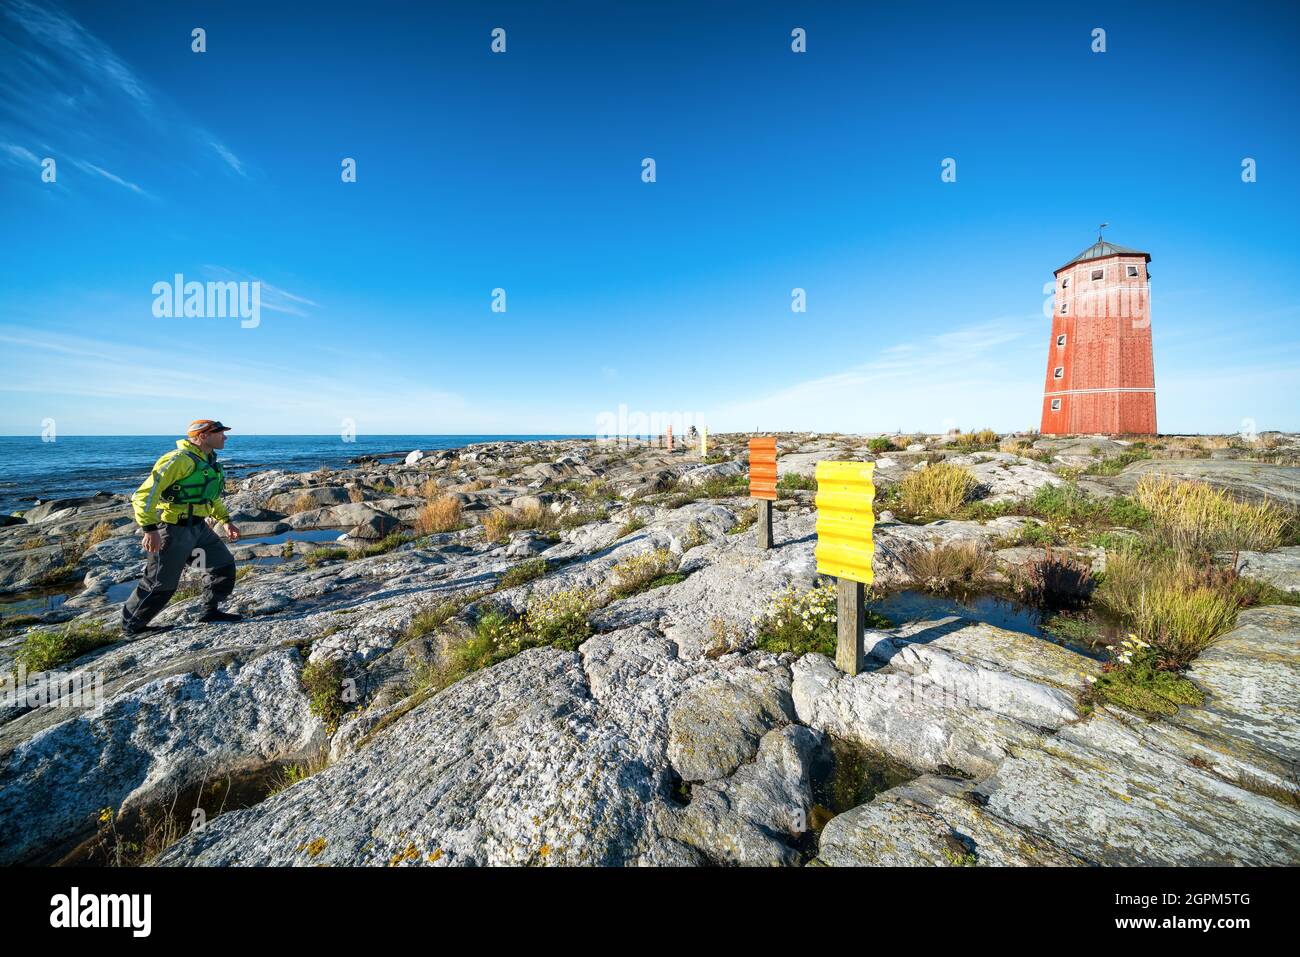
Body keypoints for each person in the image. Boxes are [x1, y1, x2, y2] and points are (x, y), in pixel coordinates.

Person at [120, 419, 243, 635]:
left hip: (199, 530)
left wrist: (225, 520)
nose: (225, 437)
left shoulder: (207, 460)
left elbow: (208, 496)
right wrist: (150, 530)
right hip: (173, 531)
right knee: (160, 582)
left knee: (221, 567)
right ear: (203, 436)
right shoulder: (178, 460)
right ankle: (132, 627)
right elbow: (143, 495)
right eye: (220, 433)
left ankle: (209, 611)